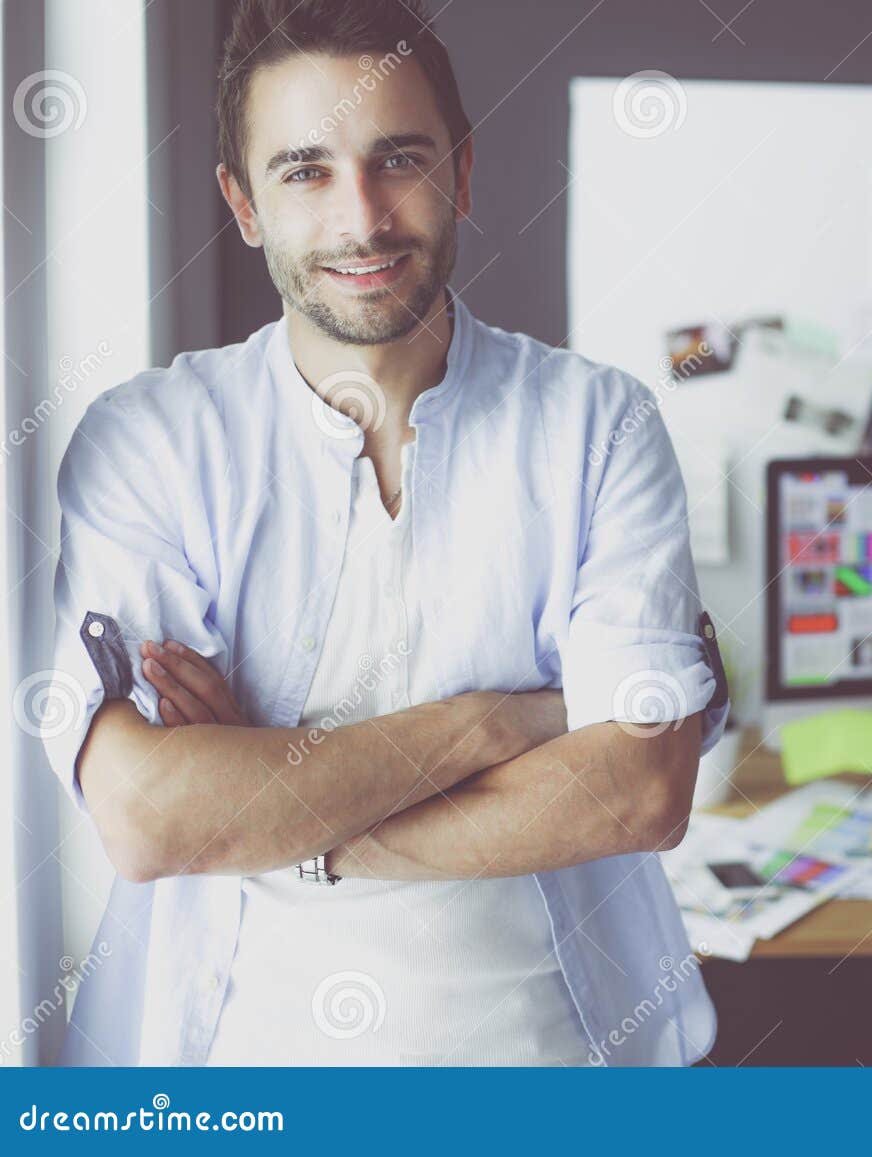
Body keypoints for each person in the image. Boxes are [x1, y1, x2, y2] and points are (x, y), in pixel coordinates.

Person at [44, 0, 724, 1066]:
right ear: (243, 203)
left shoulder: (600, 425)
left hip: (559, 1072)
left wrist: (285, 824)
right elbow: (150, 817)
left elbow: (639, 788)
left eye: (396, 159)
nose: (361, 218)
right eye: (304, 170)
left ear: (459, 172)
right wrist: (509, 723)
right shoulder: (150, 440)